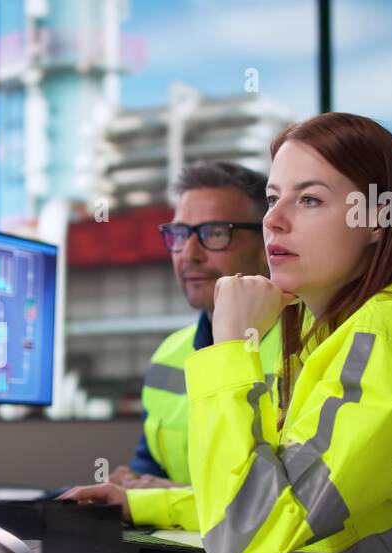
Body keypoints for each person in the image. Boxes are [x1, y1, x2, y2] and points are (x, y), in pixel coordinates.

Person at [64, 112, 392, 553]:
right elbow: (275, 495)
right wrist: (138, 504)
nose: (274, 221)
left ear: (376, 221)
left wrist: (229, 348)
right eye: (274, 198)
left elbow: (247, 529)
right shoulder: (331, 334)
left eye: (309, 200)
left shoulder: (389, 335)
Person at [110, 161, 281, 490]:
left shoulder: (310, 346)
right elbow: (153, 466)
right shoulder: (169, 355)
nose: (189, 254)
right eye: (179, 234)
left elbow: (290, 499)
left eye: (214, 233)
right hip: (169, 540)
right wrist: (131, 484)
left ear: (266, 243)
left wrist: (161, 497)